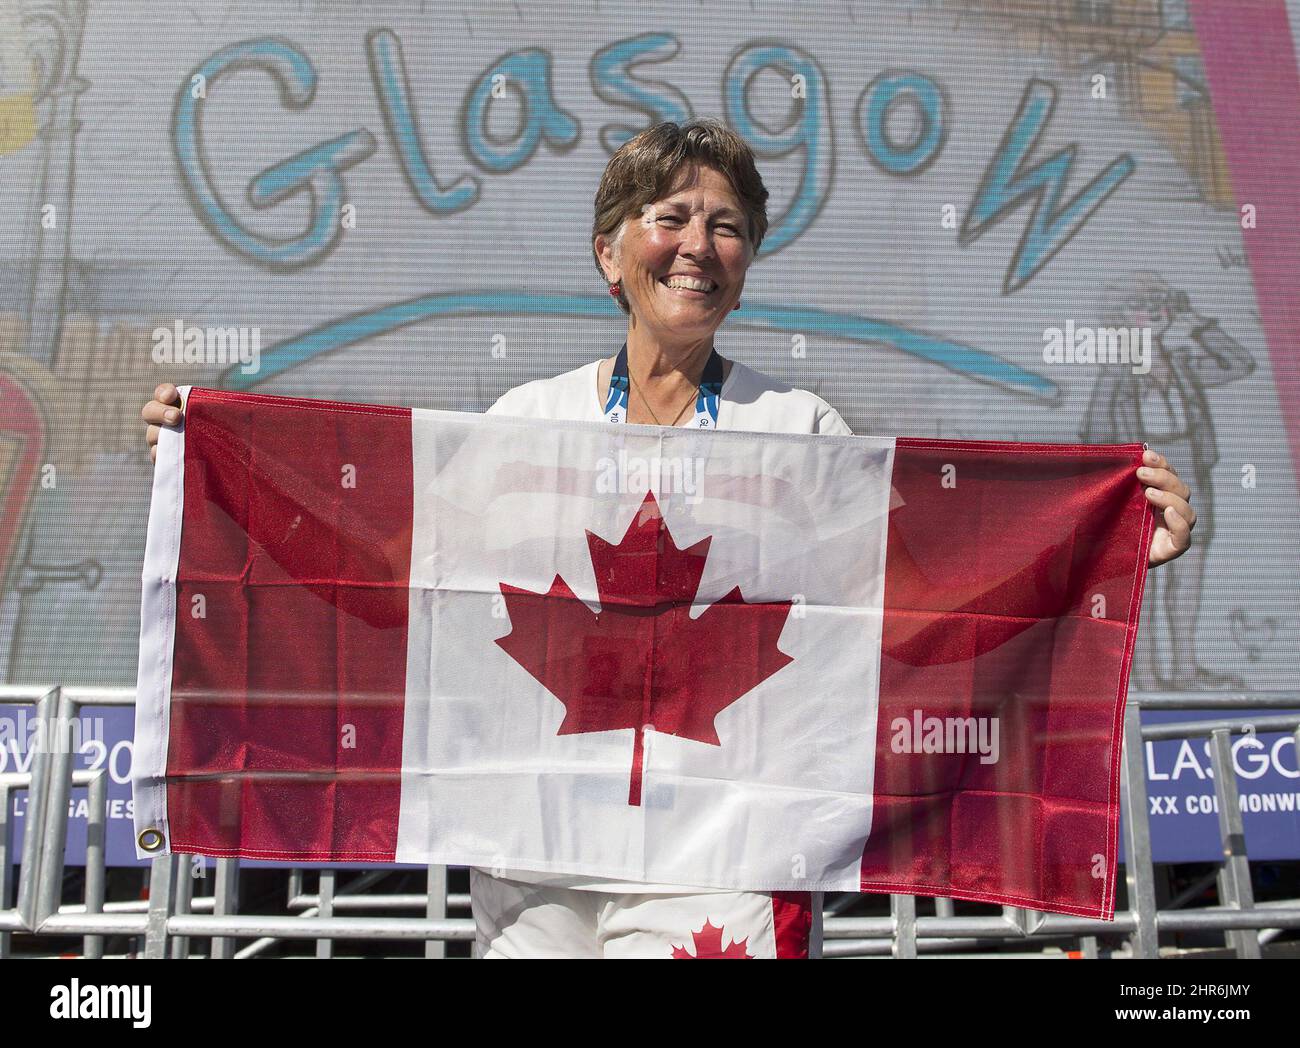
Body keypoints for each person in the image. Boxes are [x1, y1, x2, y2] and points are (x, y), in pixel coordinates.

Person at [142, 118, 1196, 958]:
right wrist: (217, 473)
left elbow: (923, 614)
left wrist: (1101, 549)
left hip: (727, 854)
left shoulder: (801, 433)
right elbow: (382, 576)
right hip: (537, 848)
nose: (699, 244)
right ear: (609, 251)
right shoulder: (521, 421)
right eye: (671, 215)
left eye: (729, 225)